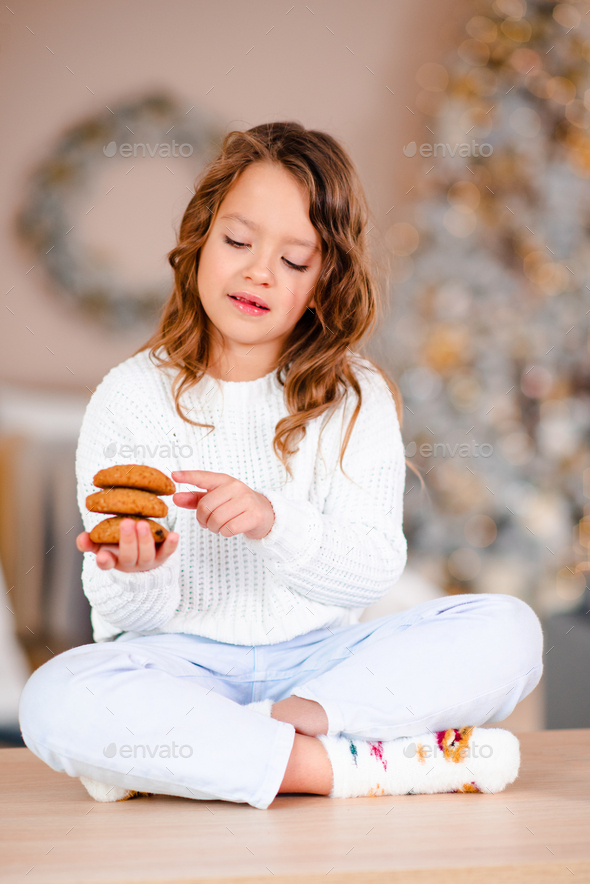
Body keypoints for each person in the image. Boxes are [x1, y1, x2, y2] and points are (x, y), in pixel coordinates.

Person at [18, 122, 543, 809]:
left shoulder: (355, 396)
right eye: (238, 242)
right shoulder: (130, 394)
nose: (259, 271)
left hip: (322, 671)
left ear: (324, 283)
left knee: (510, 631)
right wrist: (139, 571)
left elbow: (373, 566)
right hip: (183, 665)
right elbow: (124, 616)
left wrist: (275, 523)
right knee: (54, 698)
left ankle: (228, 749)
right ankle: (356, 769)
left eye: (295, 261)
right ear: (200, 240)